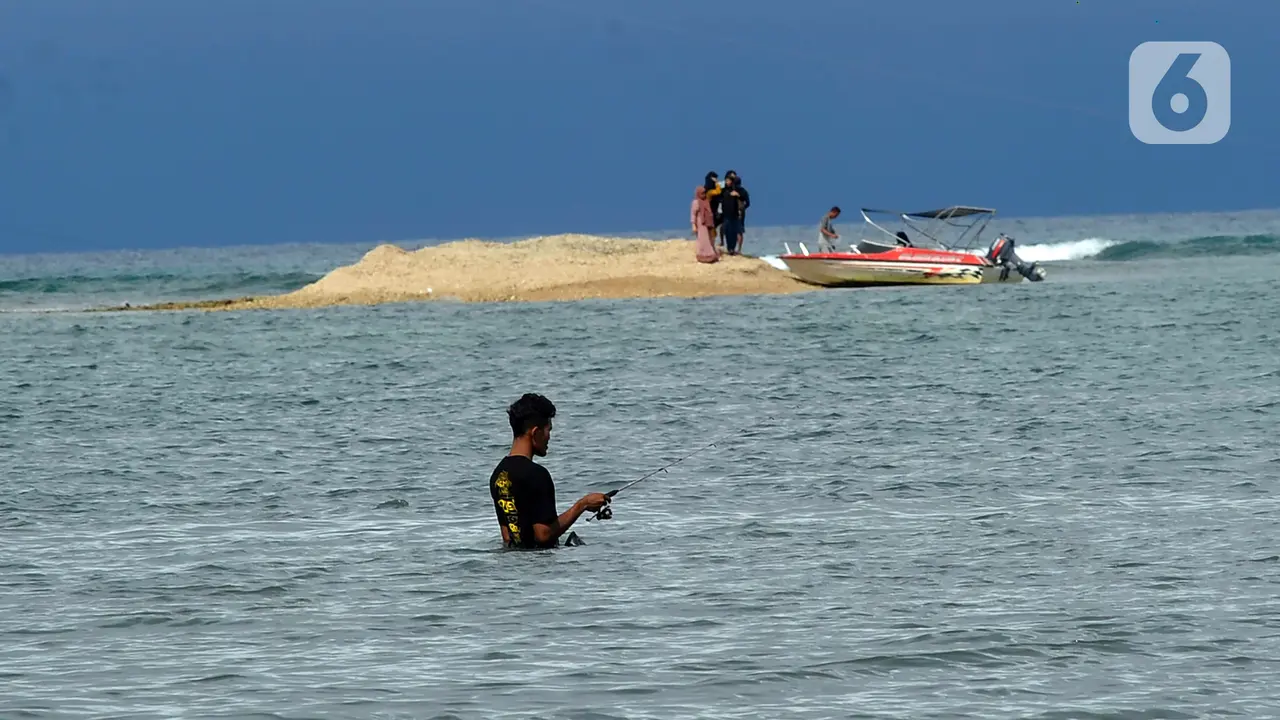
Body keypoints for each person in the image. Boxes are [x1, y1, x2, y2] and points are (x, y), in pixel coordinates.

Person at [489, 393, 610, 549]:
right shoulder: (537, 474)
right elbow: (543, 534)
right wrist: (583, 505)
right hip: (541, 567)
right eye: (548, 430)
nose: (549, 437)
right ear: (536, 432)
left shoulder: (499, 475)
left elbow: (507, 537)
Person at [691, 186, 720, 263]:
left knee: (710, 238)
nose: (704, 195)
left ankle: (711, 255)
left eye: (704, 193)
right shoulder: (696, 202)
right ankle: (704, 255)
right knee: (703, 239)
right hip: (701, 223)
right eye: (702, 193)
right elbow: (693, 214)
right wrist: (693, 225)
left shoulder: (706, 201)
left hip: (708, 223)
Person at [724, 170, 750, 254]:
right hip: (737, 213)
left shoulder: (733, 191)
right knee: (738, 230)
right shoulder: (740, 190)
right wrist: (742, 208)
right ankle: (737, 249)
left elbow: (746, 202)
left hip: (735, 213)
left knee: (734, 230)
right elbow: (748, 203)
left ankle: (733, 248)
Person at [720, 175, 746, 255]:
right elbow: (719, 199)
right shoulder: (723, 190)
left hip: (734, 214)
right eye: (726, 181)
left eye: (728, 180)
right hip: (726, 214)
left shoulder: (736, 190)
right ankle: (729, 249)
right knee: (727, 232)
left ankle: (733, 248)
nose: (727, 182)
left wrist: (737, 195)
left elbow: (743, 199)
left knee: (734, 232)